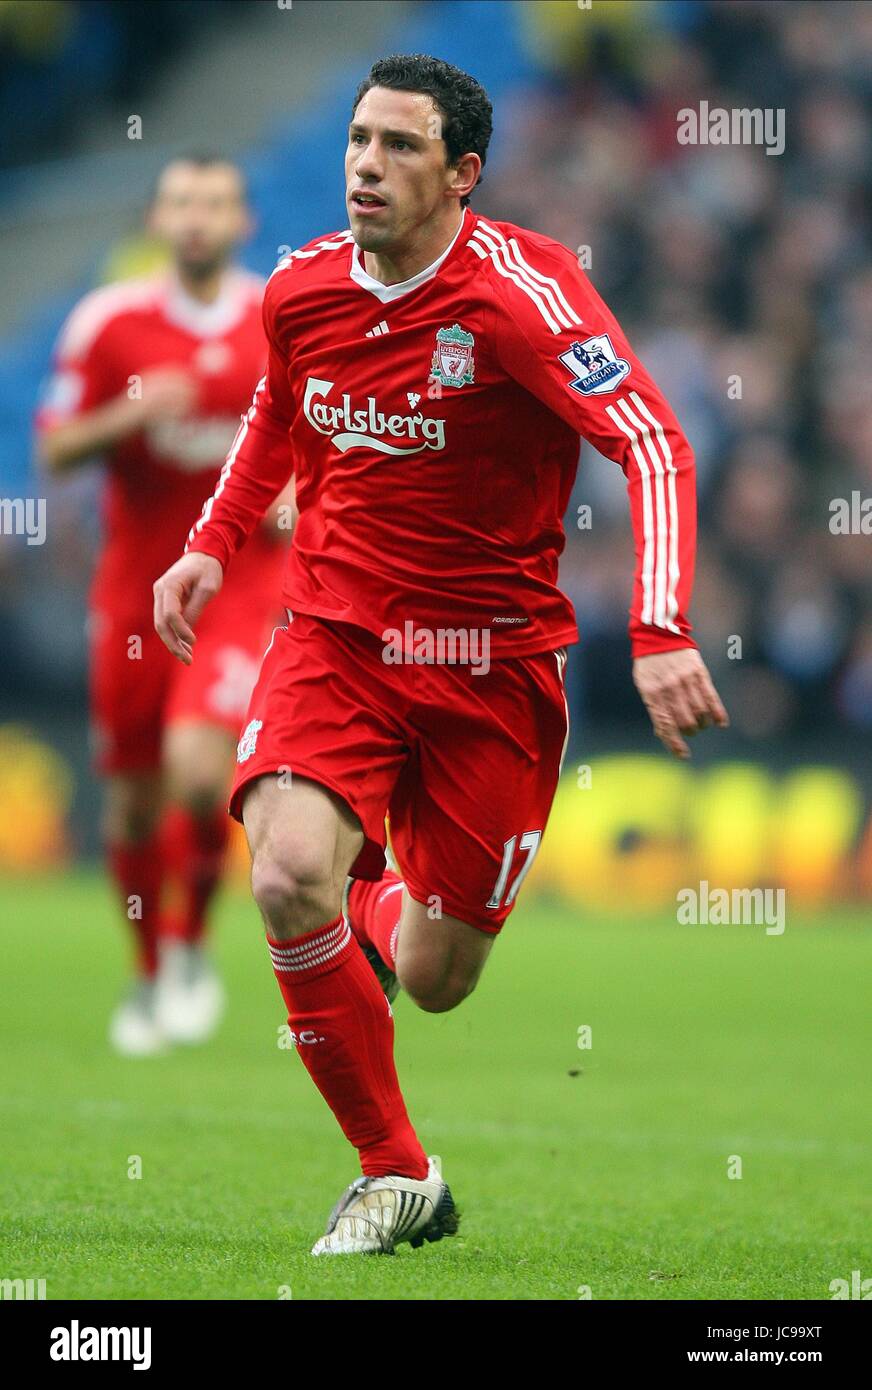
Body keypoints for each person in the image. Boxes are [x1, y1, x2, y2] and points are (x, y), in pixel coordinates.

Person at [153, 57, 728, 1254]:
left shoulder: (523, 296)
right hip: (335, 636)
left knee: (434, 974)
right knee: (282, 868)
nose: (365, 163)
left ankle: (377, 902)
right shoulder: (302, 287)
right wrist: (211, 542)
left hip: (491, 666)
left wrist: (663, 626)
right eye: (360, 139)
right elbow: (277, 407)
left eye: (400, 147)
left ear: (462, 172)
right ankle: (395, 1172)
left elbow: (654, 445)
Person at [37, 155, 293, 1055]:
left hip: (237, 584)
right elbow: (54, 452)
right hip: (132, 591)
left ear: (242, 219)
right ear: (157, 216)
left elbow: (318, 438)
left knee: (197, 773)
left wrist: (295, 498)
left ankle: (189, 946)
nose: (195, 219)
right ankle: (148, 971)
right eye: (180, 202)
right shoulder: (109, 322)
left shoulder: (277, 317)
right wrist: (130, 416)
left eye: (213, 203)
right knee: (135, 804)